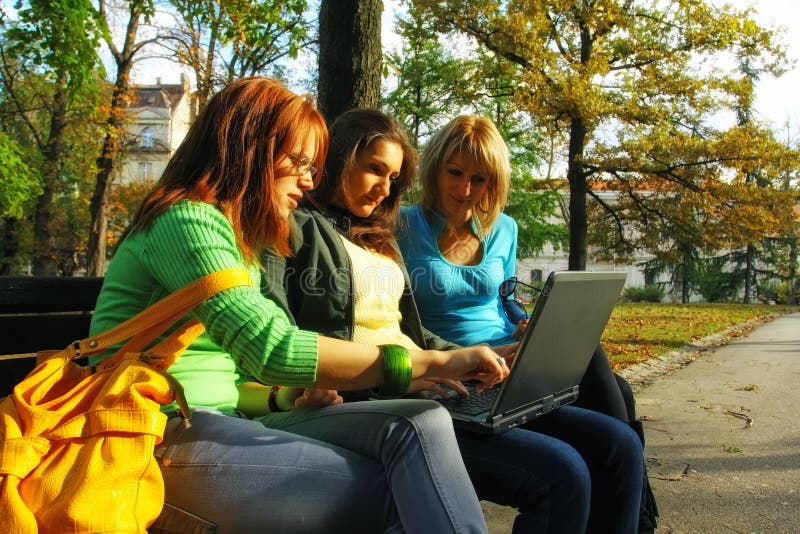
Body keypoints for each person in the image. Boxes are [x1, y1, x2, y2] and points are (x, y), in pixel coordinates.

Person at [88, 78, 509, 533]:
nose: (310, 180)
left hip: (222, 418)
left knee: (419, 423)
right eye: (299, 162)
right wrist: (434, 361)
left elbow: (231, 373)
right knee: (401, 492)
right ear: (250, 147)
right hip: (150, 433)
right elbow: (274, 350)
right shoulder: (185, 220)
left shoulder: (235, 237)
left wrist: (283, 396)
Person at [261, 108, 644, 533]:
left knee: (618, 444)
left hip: (440, 383)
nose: (384, 189)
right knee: (564, 474)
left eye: (392, 178)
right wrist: (290, 391)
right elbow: (274, 331)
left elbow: (411, 332)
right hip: (385, 395)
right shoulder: (296, 228)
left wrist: (476, 355)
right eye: (374, 169)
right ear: (339, 159)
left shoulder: (376, 235)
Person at [396, 114, 658, 532]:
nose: (464, 190)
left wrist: (524, 323)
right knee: (613, 399)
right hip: (459, 370)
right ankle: (641, 515)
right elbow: (396, 316)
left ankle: (635, 512)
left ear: (492, 183)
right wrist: (453, 360)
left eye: (478, 179)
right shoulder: (403, 225)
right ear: (435, 167)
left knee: (601, 387)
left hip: (511, 364)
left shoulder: (503, 229)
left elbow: (504, 300)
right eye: (455, 173)